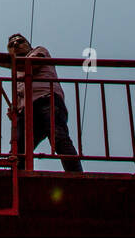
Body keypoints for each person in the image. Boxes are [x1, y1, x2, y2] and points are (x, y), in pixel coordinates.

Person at [7, 33, 82, 173]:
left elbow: (31, 66)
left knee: (58, 137)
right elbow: (19, 95)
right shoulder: (16, 72)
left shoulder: (39, 51)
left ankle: (75, 174)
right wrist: (14, 109)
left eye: (20, 41)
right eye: (12, 45)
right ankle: (17, 178)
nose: (16, 44)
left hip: (47, 100)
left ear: (29, 45)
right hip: (27, 110)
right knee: (18, 148)